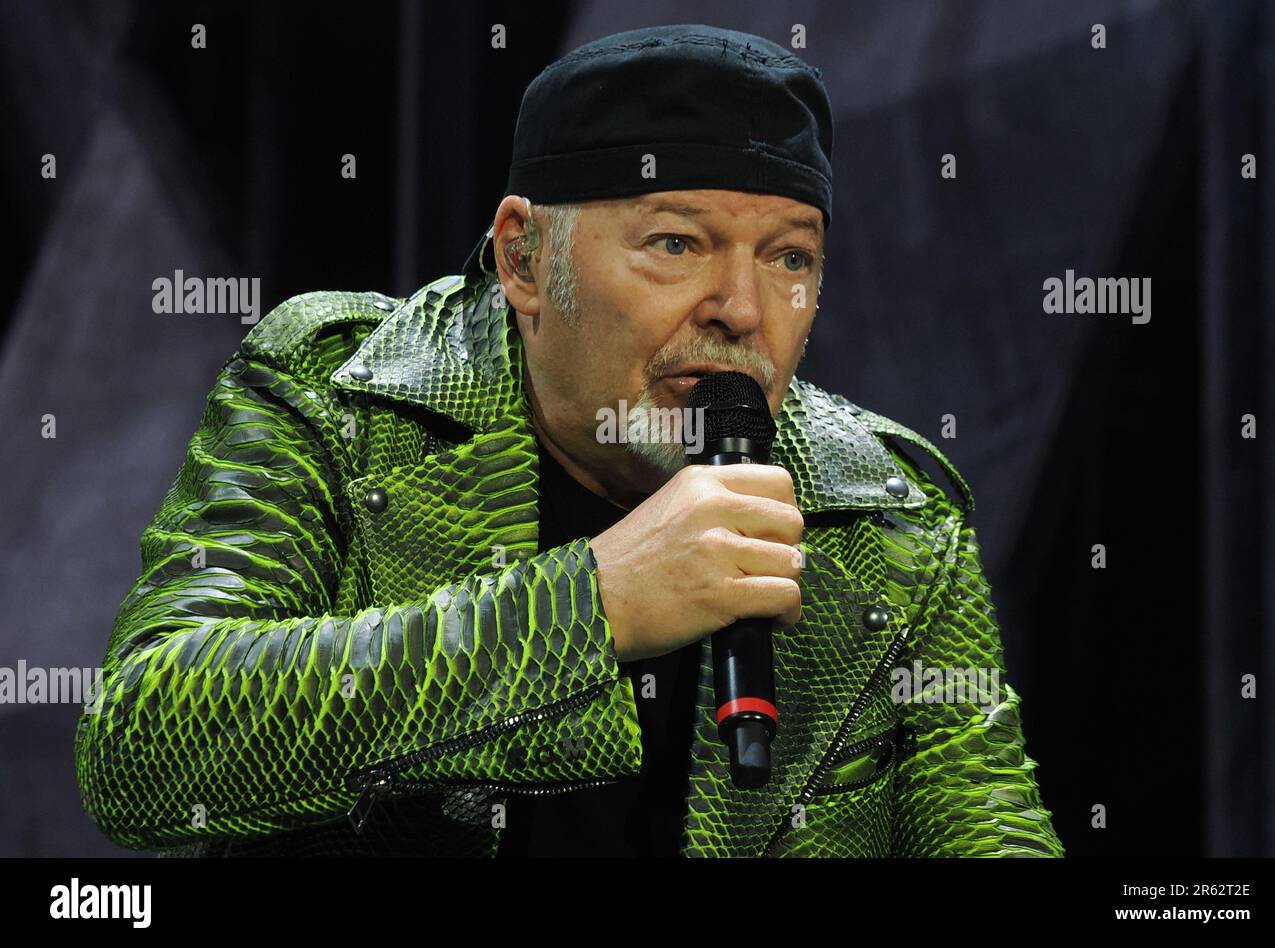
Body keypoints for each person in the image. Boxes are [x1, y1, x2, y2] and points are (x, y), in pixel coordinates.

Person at [75, 24, 1064, 857]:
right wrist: (593, 606)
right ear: (523, 259)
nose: (741, 309)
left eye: (789, 257)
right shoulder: (341, 395)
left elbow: (991, 828)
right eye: (676, 242)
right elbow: (143, 747)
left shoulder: (887, 510)